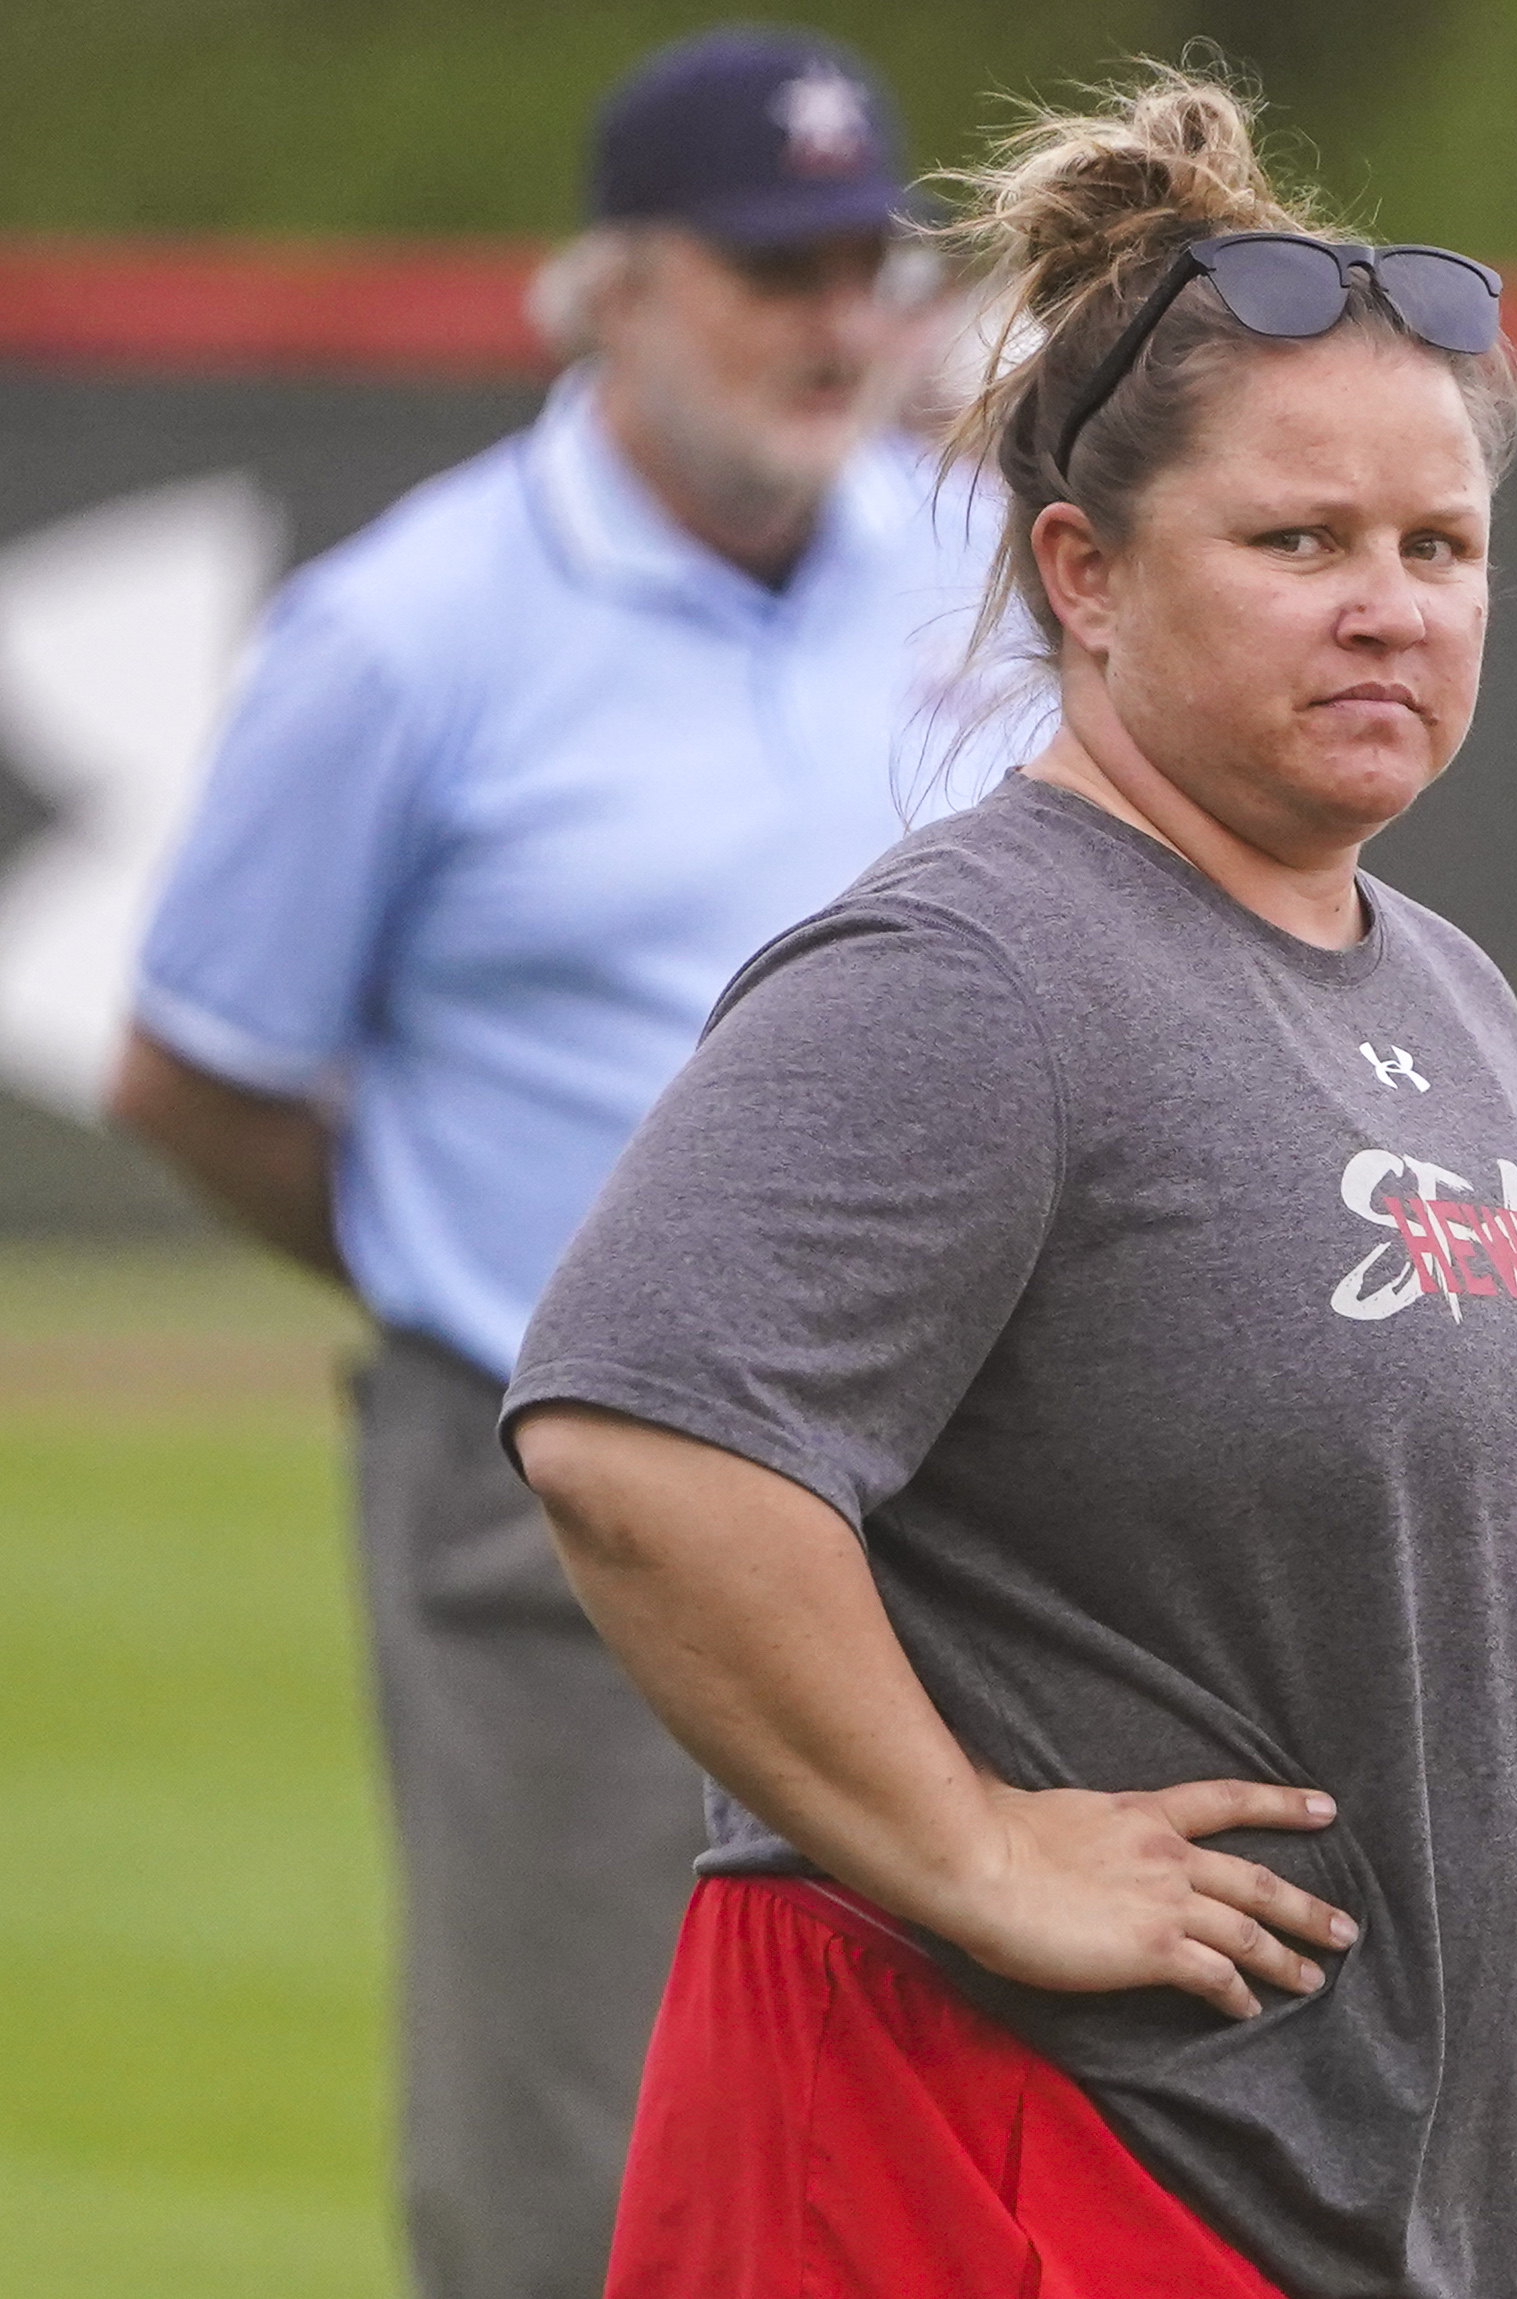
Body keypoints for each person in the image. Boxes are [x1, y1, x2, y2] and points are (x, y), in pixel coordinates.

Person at [503, 64, 1517, 2299]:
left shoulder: (1437, 981)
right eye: (1298, 542)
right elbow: (639, 1436)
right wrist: (969, 1848)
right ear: (1085, 572)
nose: (1387, 608)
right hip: (1023, 2166)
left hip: (1363, 2190)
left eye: (1437, 549)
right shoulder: (975, 965)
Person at [107, 26, 1022, 2299]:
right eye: (766, 266)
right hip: (559, 1505)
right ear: (609, 285)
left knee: (981, 2132)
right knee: (579, 2159)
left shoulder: (976, 567)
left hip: (978, 1475)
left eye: (860, 261)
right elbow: (199, 1064)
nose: (833, 318)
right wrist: (499, 1297)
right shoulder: (409, 634)